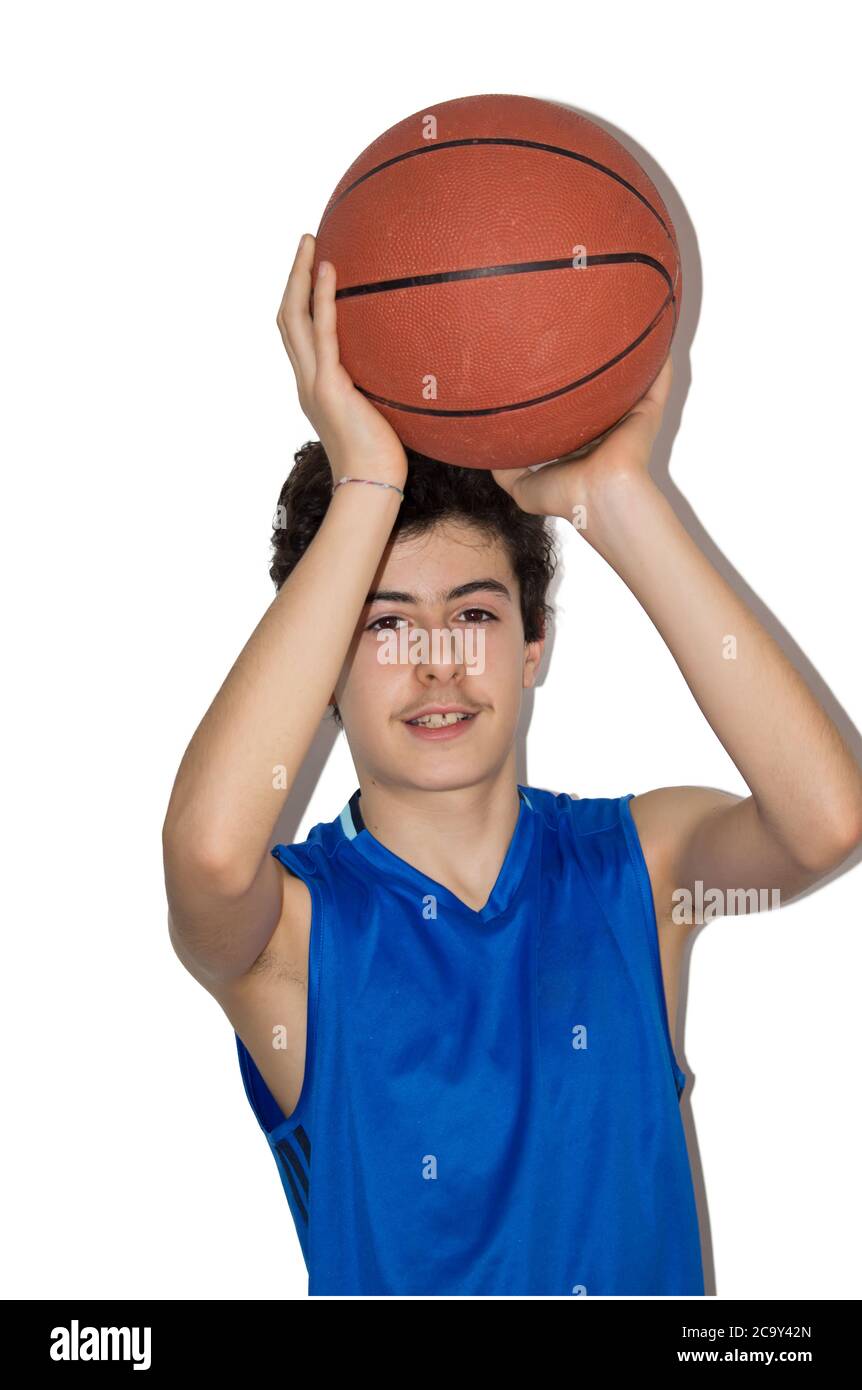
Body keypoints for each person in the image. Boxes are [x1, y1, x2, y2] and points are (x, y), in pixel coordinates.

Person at [162, 233, 862, 1297]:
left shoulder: (642, 865)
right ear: (321, 675)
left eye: (474, 614)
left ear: (533, 643)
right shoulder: (292, 940)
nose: (437, 660)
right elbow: (208, 856)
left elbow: (828, 821)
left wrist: (618, 495)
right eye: (383, 625)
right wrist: (362, 483)